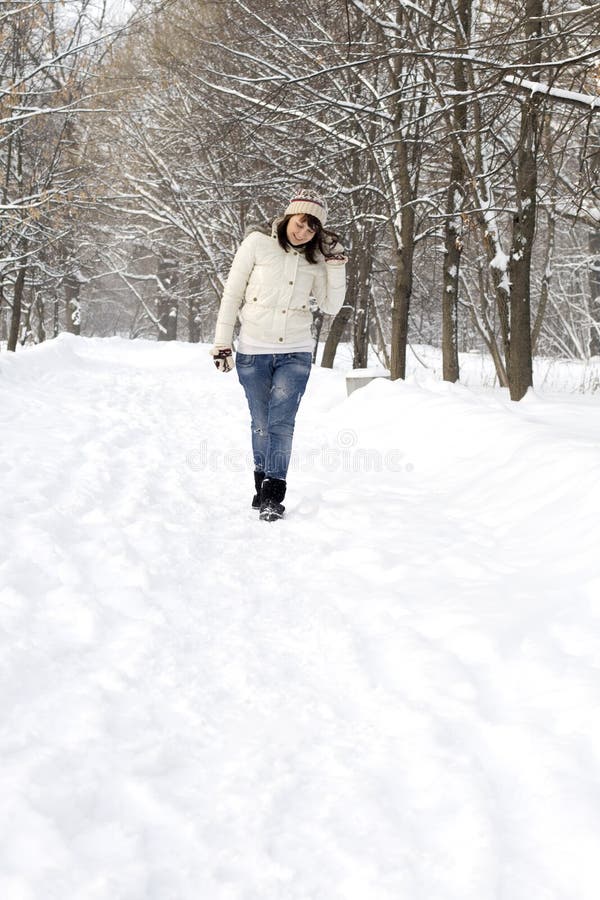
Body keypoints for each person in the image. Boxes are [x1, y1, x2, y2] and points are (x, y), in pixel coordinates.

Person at [211, 188, 347, 521]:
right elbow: (232, 294)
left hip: (295, 352)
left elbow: (331, 306)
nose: (304, 233)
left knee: (282, 424)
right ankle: (262, 486)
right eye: (301, 223)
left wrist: (337, 266)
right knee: (261, 423)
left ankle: (273, 495)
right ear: (289, 217)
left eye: (312, 229)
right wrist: (222, 343)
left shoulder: (316, 261)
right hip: (253, 350)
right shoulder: (257, 244)